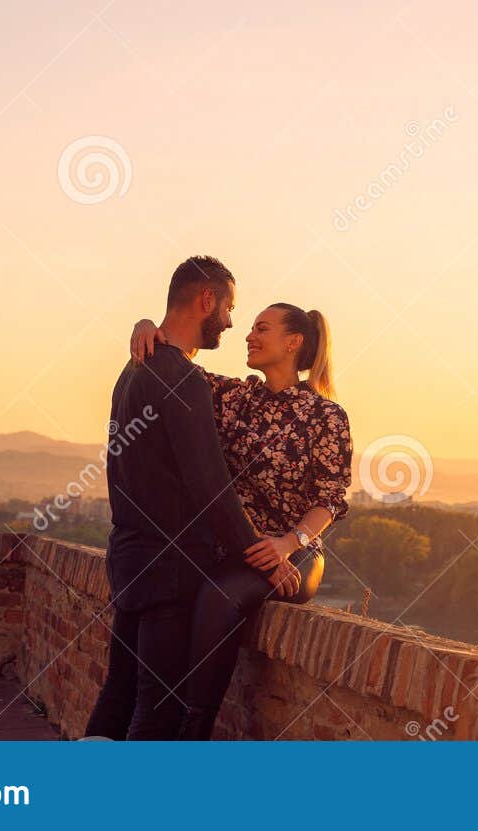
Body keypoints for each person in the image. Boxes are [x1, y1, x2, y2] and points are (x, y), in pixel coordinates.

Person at [83, 256, 292, 740]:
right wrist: (261, 556)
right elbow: (210, 487)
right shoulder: (181, 378)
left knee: (117, 696)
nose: (232, 322)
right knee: (155, 714)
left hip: (132, 559)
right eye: (229, 307)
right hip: (170, 572)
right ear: (206, 300)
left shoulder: (134, 368)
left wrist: (143, 324)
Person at [128, 300, 353, 740]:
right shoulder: (235, 397)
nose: (249, 335)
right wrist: (146, 324)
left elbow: (330, 500)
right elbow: (172, 371)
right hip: (236, 548)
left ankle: (194, 734)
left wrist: (289, 543)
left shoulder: (326, 416)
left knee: (218, 598)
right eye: (250, 327)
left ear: (293, 343)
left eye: (262, 329)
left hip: (296, 554)